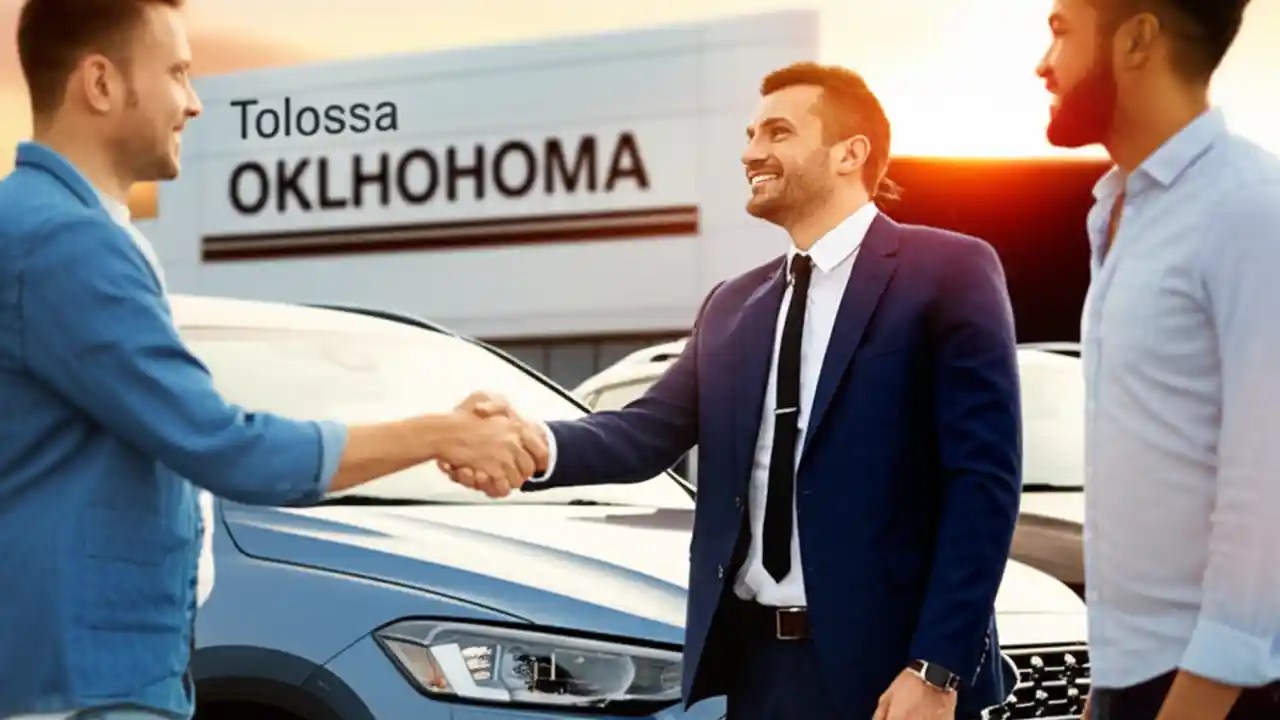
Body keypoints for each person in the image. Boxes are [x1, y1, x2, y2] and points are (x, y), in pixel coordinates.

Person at [0, 1, 546, 718]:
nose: (193, 103)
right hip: (82, 684)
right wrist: (442, 433)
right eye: (177, 73)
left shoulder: (49, 226)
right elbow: (227, 447)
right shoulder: (66, 241)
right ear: (100, 84)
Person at [444, 61, 1023, 720]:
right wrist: (530, 442)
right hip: (759, 674)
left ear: (850, 153)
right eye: (750, 134)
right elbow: (641, 434)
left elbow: (984, 481)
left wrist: (936, 668)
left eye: (777, 132)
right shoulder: (732, 304)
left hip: (893, 676)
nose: (751, 152)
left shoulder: (949, 271)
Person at [1036, 1, 1280, 719]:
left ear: (1138, 39)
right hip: (1138, 681)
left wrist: (1196, 702)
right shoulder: (1121, 212)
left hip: (1227, 691)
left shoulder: (1249, 209)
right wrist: (1103, 693)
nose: (1042, 63)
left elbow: (1266, 486)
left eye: (1059, 32)